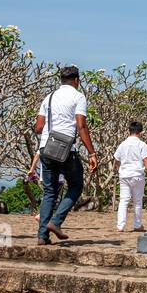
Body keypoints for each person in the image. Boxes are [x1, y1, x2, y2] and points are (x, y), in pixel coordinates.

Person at [33, 65, 98, 245]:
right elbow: (81, 126)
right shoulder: (78, 97)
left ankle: (42, 236)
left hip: (46, 148)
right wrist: (92, 153)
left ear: (61, 80)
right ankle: (56, 221)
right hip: (66, 150)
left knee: (49, 192)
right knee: (76, 186)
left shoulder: (49, 97)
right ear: (77, 81)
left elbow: (38, 128)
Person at [113, 121, 147, 232]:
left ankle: (120, 226)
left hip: (124, 175)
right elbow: (146, 160)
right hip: (137, 174)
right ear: (140, 132)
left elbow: (117, 159)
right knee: (138, 201)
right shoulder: (141, 144)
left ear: (129, 131)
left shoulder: (123, 144)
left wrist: (118, 169)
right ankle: (137, 224)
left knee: (123, 200)